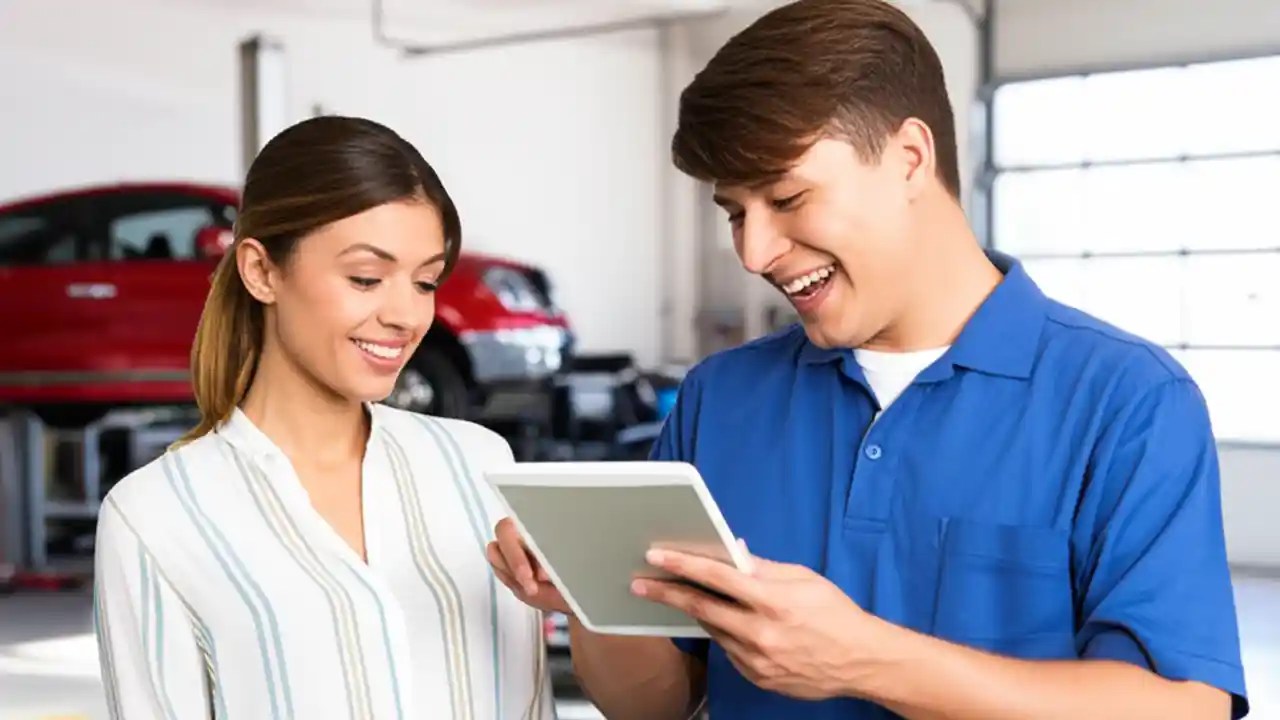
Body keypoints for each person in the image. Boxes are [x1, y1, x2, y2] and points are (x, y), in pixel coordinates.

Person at [487, 0, 1250, 718]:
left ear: (910, 158)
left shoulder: (1126, 400)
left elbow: (1182, 704)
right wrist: (589, 601)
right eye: (734, 213)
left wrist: (864, 661)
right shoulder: (721, 397)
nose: (754, 252)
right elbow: (659, 704)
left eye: (786, 200)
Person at [93, 115, 554, 719]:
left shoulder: (480, 465)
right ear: (261, 271)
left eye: (425, 282)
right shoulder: (156, 516)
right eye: (366, 278)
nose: (406, 316)